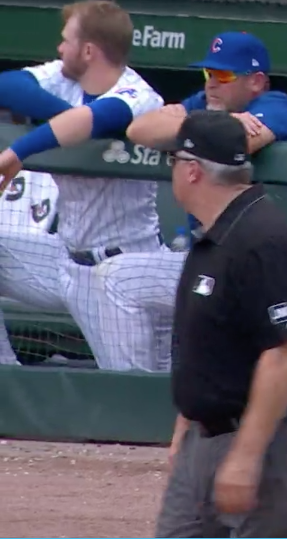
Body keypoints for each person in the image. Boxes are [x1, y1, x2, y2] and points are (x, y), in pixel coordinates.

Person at [155, 110, 287, 537]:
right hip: (206, 439)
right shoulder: (214, 235)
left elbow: (286, 353)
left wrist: (246, 455)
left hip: (274, 442)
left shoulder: (262, 239)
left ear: (193, 171)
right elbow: (209, 345)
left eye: (173, 161)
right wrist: (189, 422)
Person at [0, 0, 172, 371]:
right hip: (64, 262)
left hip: (123, 267)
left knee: (135, 404)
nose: (60, 49)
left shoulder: (140, 97)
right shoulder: (67, 78)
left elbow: (105, 116)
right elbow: (7, 85)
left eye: (66, 41)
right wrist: (72, 123)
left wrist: (18, 152)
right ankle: (7, 377)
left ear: (89, 50)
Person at [126, 31, 287, 288]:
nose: (212, 84)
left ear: (256, 82)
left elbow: (235, 143)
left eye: (224, 76)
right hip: (218, 267)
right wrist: (198, 122)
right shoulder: (205, 106)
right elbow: (139, 130)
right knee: (121, 279)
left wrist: (185, 126)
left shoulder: (282, 108)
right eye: (208, 74)